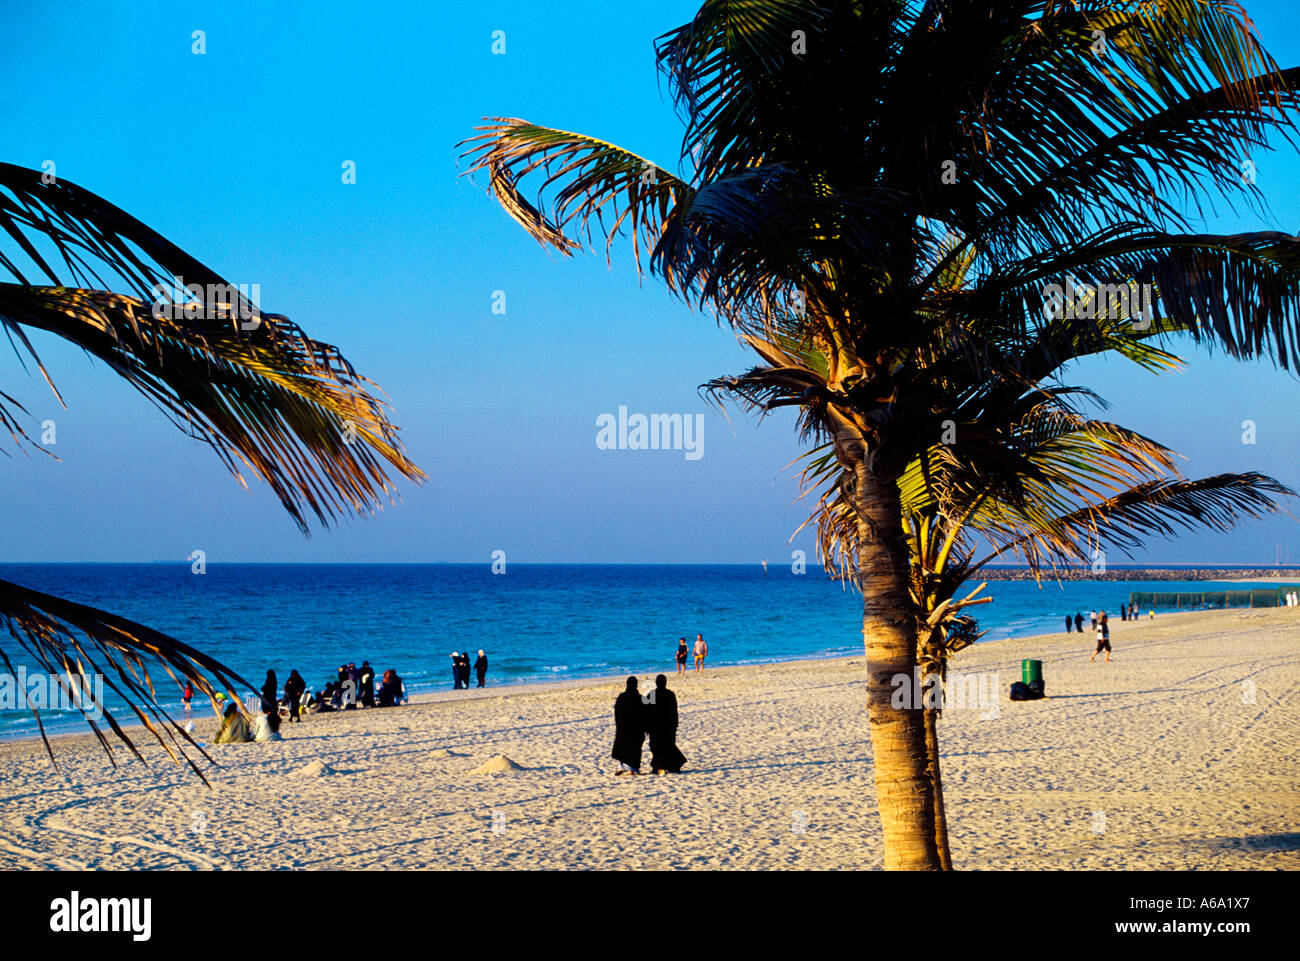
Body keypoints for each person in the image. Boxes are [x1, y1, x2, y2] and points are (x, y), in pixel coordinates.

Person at [646, 674, 686, 774]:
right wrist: (675, 724)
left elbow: (645, 710)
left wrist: (646, 725)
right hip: (668, 725)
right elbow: (674, 711)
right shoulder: (670, 694)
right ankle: (671, 766)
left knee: (656, 746)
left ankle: (659, 767)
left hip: (656, 725)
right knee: (668, 745)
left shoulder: (652, 694)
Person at [612, 676, 646, 775]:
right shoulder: (640, 698)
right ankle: (631, 769)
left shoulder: (621, 697)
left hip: (623, 727)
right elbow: (644, 713)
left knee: (622, 747)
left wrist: (618, 724)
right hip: (636, 728)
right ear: (636, 685)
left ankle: (621, 767)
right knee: (634, 748)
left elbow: (617, 712)